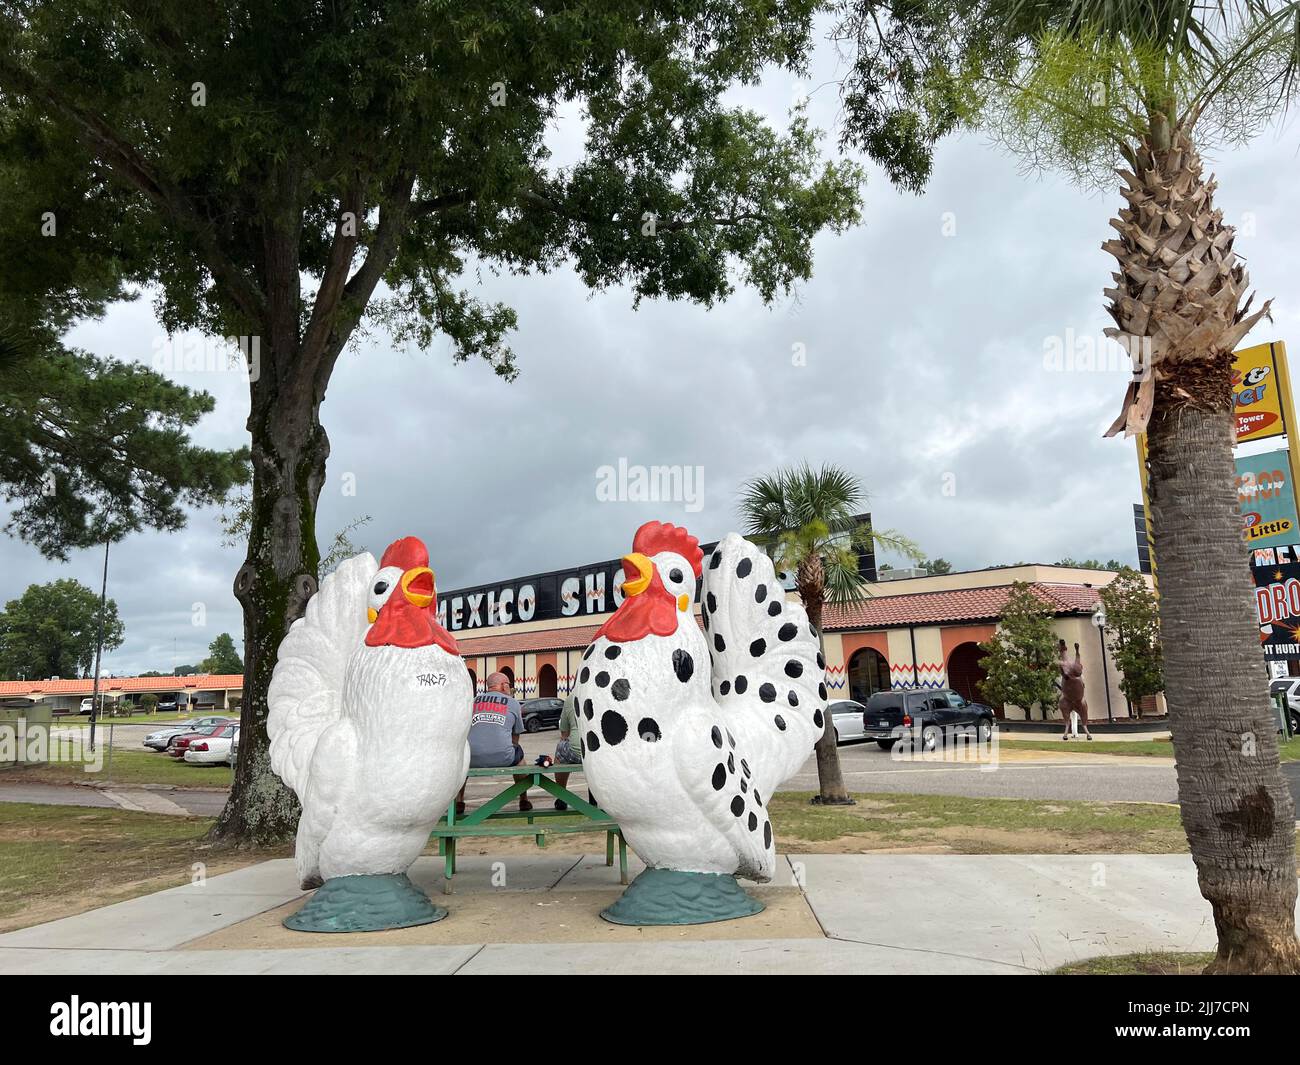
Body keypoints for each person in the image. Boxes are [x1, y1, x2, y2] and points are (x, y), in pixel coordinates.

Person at [457, 672, 531, 814]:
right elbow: (515, 738)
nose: (510, 689)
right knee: (520, 758)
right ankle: (524, 799)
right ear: (503, 686)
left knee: (464, 758)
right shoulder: (513, 703)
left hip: (472, 759)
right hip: (503, 757)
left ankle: (459, 801)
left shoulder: (473, 701)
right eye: (509, 685)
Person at [551, 696, 583, 811]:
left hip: (577, 750)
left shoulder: (571, 698)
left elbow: (564, 733)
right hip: (601, 753)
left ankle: (561, 795)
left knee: (561, 748)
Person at [1058, 639, 1093, 741]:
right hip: (1067, 698)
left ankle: (1085, 731)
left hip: (1078, 699)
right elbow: (1064, 658)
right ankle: (1067, 731)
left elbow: (1077, 659)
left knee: (1083, 709)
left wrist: (1077, 650)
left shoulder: (1076, 670)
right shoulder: (1067, 666)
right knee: (1064, 706)